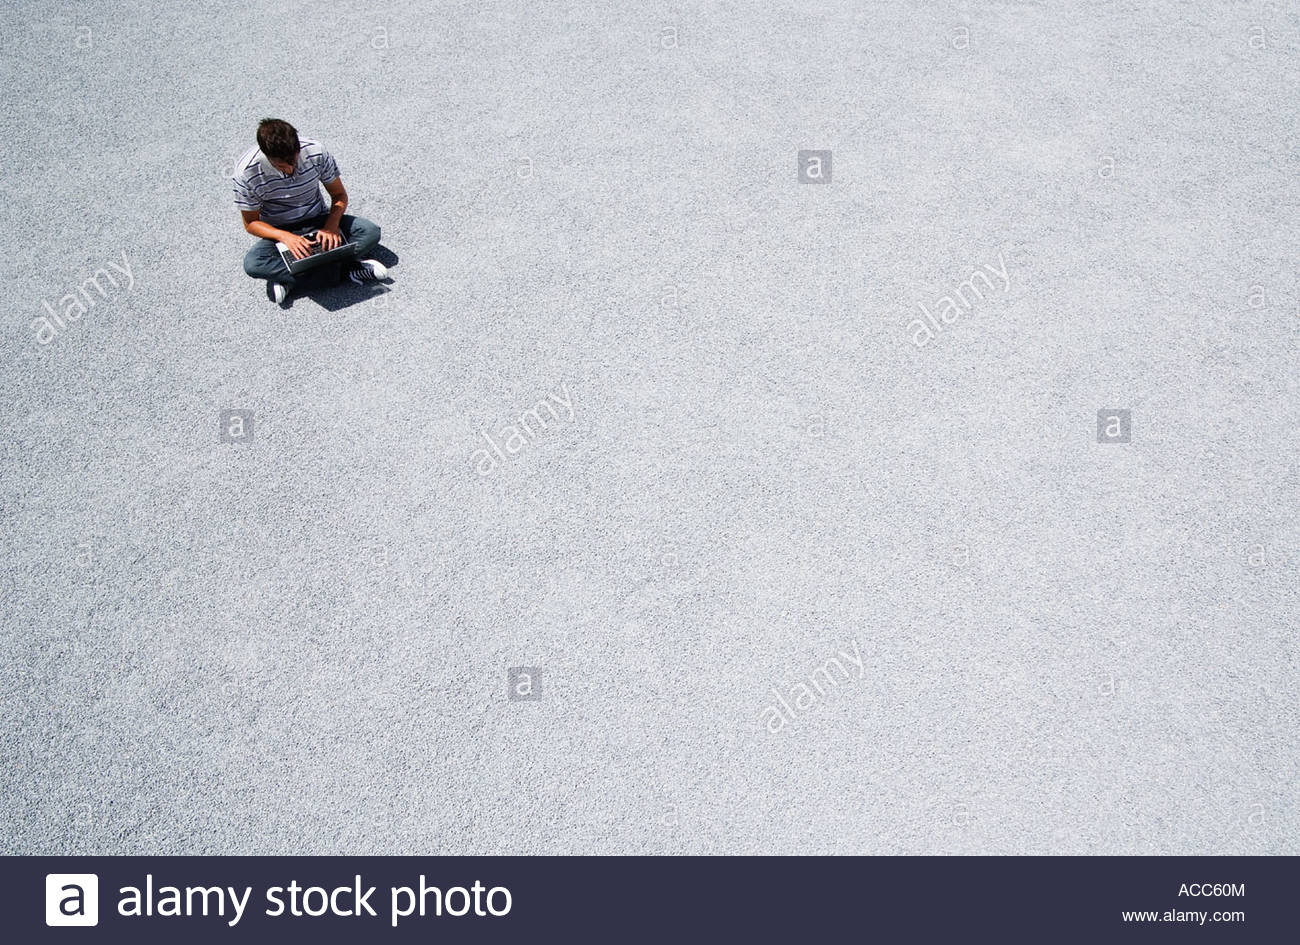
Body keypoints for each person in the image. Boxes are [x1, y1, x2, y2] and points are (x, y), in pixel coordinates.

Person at [233, 118, 389, 304]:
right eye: (282, 166)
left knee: (370, 232)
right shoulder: (246, 172)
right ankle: (347, 269)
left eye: (294, 161)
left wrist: (331, 225)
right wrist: (285, 237)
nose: (291, 170)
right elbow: (250, 223)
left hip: (319, 220)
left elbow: (339, 195)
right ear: (267, 156)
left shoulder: (315, 152)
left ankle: (291, 278)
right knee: (254, 264)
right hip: (280, 233)